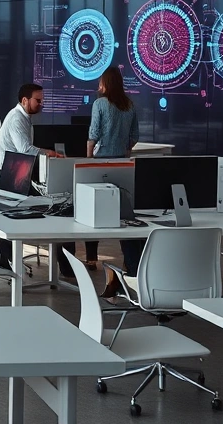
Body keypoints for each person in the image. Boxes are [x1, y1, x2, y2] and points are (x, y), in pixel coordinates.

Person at [0, 83, 63, 273]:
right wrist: (49, 153)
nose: (41, 104)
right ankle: (65, 263)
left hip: (15, 173)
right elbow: (25, 149)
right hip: (9, 175)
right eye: (38, 100)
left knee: (24, 214)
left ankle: (1, 254)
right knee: (48, 208)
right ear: (25, 100)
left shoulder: (24, 117)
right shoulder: (17, 119)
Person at [88, 67, 142, 298]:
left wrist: (88, 159)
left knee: (92, 211)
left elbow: (93, 134)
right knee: (126, 215)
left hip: (101, 162)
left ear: (106, 83)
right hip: (122, 162)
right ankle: (133, 265)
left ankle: (91, 257)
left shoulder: (100, 104)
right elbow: (135, 136)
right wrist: (125, 151)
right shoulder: (129, 105)